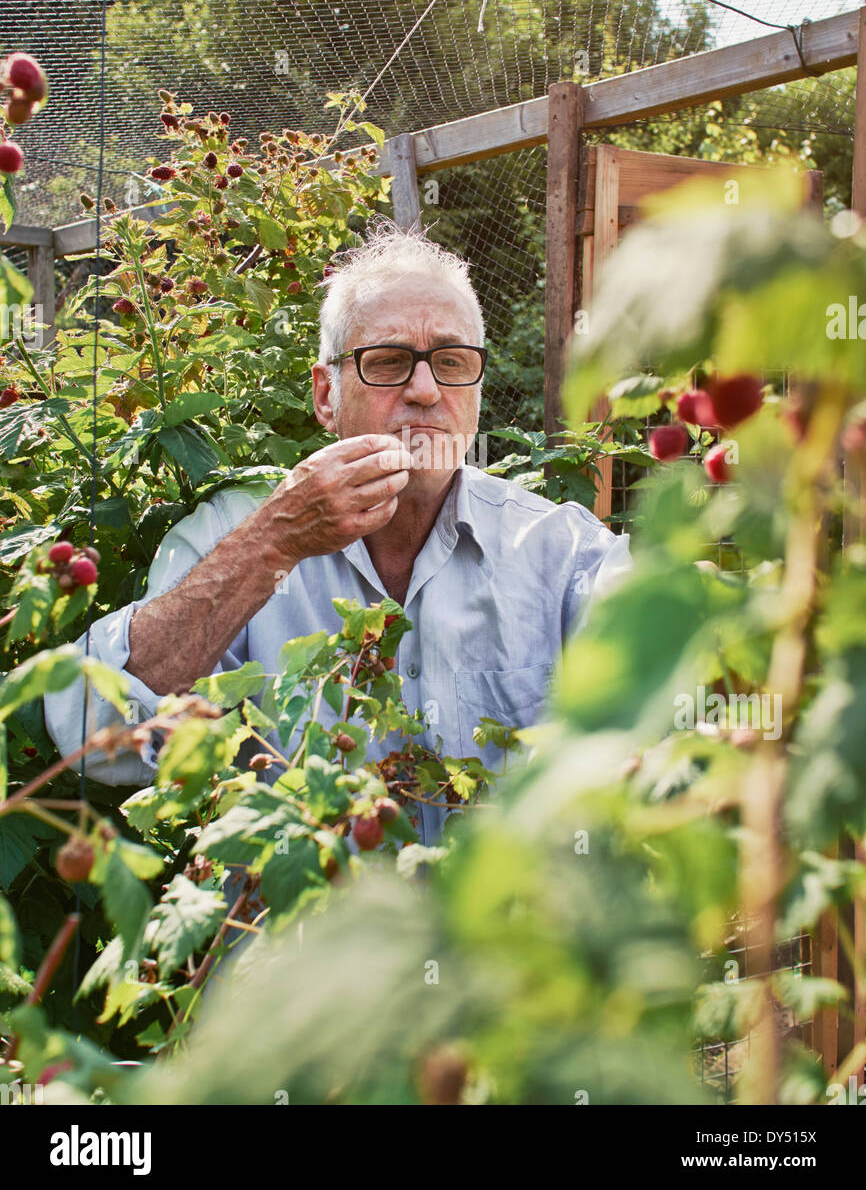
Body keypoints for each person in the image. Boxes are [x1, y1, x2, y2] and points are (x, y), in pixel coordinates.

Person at [44, 220, 632, 845]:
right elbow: (89, 733)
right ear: (327, 397)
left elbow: (675, 669)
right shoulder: (233, 536)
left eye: (453, 362)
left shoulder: (559, 550)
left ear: (478, 391)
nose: (427, 391)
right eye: (387, 362)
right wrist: (275, 542)